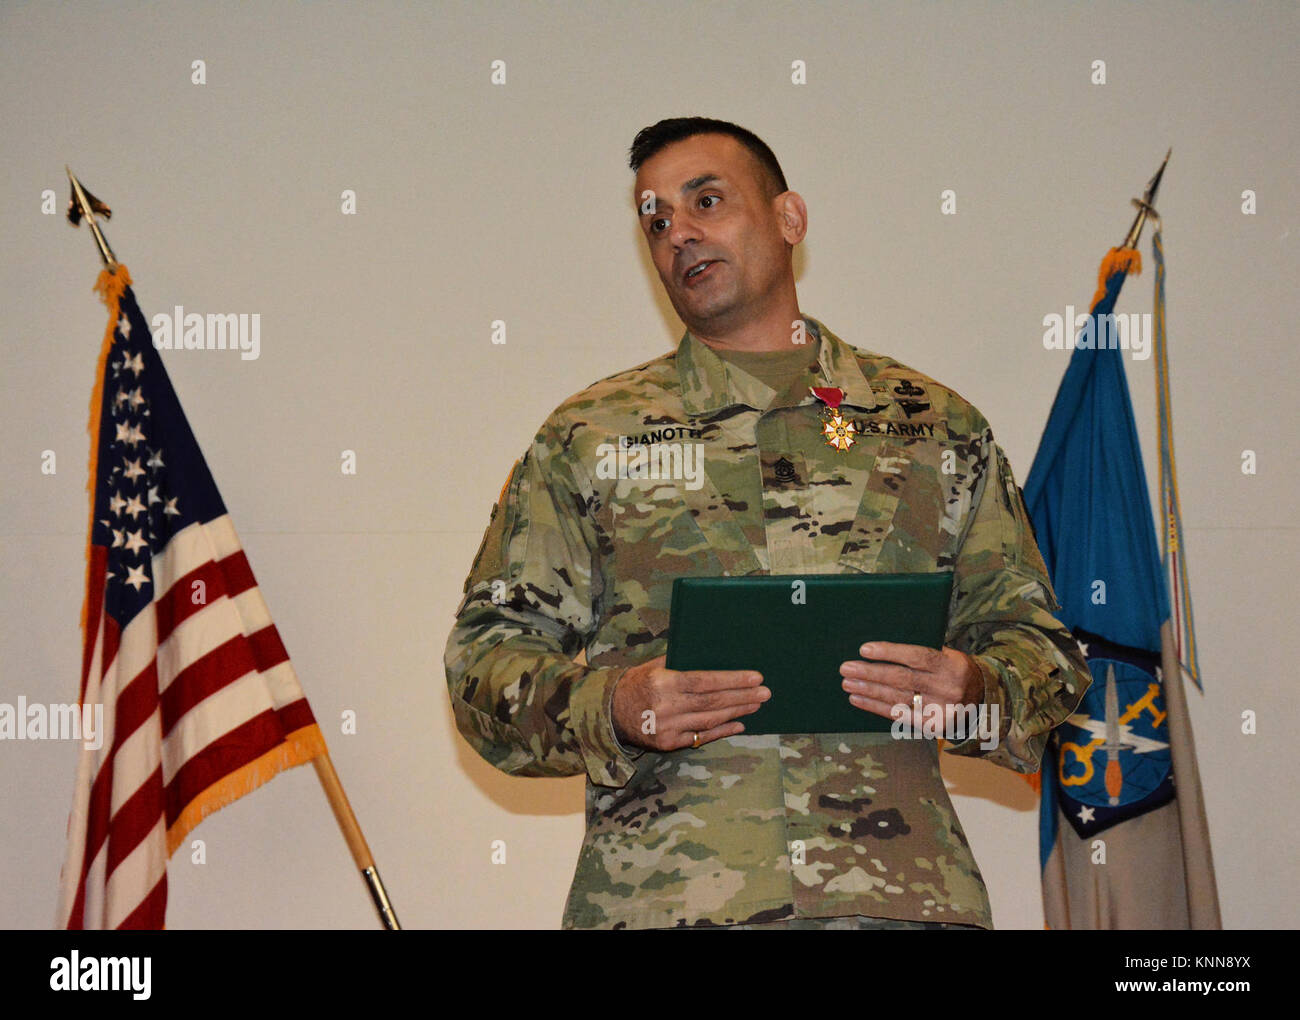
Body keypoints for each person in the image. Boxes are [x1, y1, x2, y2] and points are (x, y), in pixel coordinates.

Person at [444, 116, 1091, 930]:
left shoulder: (935, 425)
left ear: (790, 219)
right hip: (668, 903)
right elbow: (483, 666)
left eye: (705, 201)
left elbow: (1045, 654)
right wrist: (612, 706)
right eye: (655, 220)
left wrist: (973, 691)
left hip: (898, 900)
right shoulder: (591, 438)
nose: (678, 232)